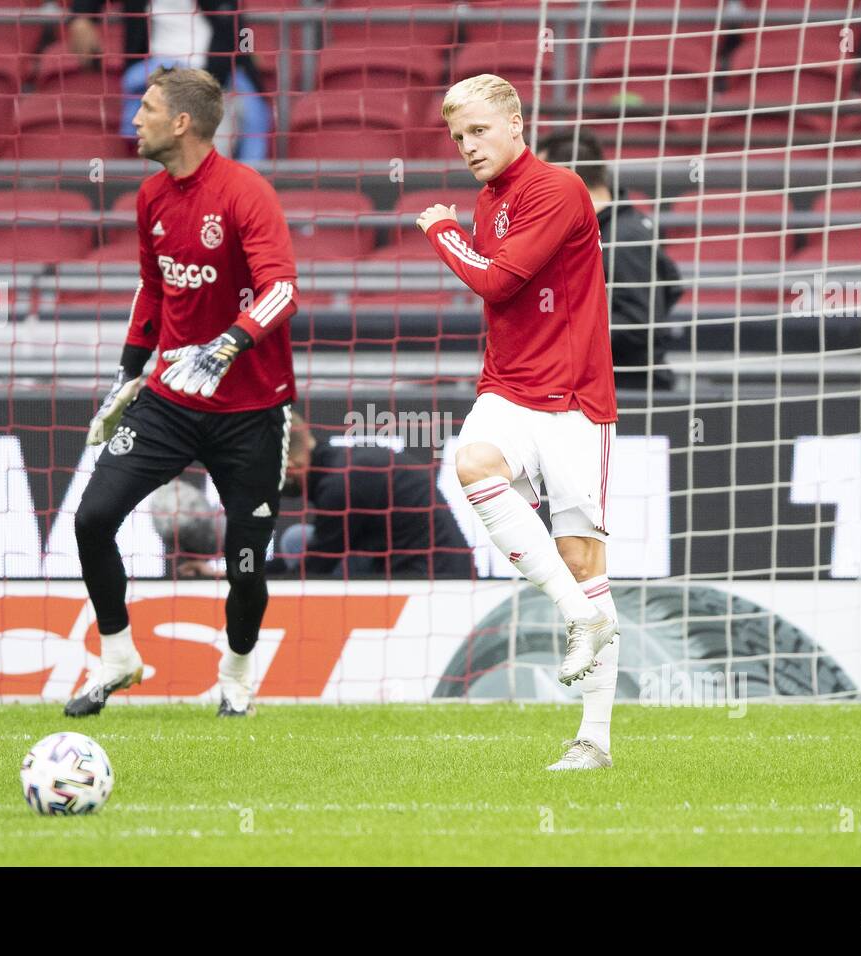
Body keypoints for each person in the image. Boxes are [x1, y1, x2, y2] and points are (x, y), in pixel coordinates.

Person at [67, 66, 298, 719]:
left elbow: (283, 290)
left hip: (251, 410)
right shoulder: (149, 198)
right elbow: (154, 289)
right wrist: (128, 371)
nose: (132, 119)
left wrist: (227, 344)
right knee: (92, 519)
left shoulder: (247, 194)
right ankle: (118, 658)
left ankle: (237, 674)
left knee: (246, 562)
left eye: (145, 108)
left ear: (182, 122)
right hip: (170, 399)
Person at [416, 74, 624, 771]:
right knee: (471, 464)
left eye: (478, 131)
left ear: (514, 122)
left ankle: (593, 740)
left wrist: (441, 229)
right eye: (457, 137)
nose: (467, 147)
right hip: (508, 386)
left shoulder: (557, 188)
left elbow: (498, 281)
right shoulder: (489, 199)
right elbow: (504, 290)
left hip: (572, 399)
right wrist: (459, 224)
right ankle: (579, 614)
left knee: (584, 561)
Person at [536, 129, 681, 393]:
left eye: (540, 180)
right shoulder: (598, 230)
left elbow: (640, 324)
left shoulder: (624, 237)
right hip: (604, 390)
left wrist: (561, 332)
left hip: (628, 395)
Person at [276, 412, 474, 579]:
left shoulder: (340, 483)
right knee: (297, 538)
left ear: (291, 466)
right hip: (435, 563)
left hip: (427, 578)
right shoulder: (344, 462)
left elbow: (316, 568)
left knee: (299, 546)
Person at [66, 0, 272, 160]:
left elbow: (228, 33)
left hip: (215, 76)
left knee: (222, 132)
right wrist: (81, 16)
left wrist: (206, 86)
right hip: (157, 72)